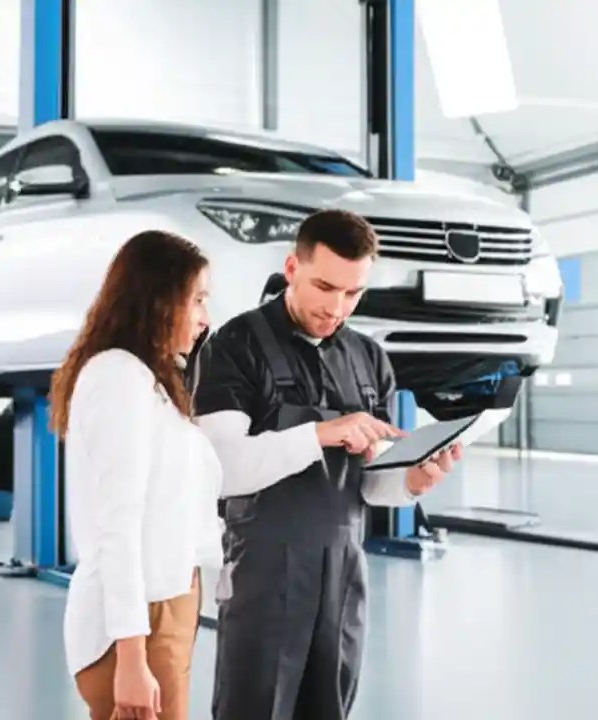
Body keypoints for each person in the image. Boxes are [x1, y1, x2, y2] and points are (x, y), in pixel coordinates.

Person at [194, 209, 462, 720]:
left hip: (344, 567)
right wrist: (321, 432)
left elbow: (370, 482)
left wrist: (411, 481)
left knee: (330, 707)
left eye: (353, 293)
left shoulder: (369, 358)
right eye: (325, 286)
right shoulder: (235, 345)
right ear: (292, 267)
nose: (336, 307)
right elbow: (223, 469)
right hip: (263, 569)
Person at [49, 230, 225, 720]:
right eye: (197, 300)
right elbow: (118, 522)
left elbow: (180, 502)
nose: (204, 318)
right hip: (137, 622)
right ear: (158, 299)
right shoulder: (118, 377)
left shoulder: (149, 380)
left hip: (164, 610)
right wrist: (131, 656)